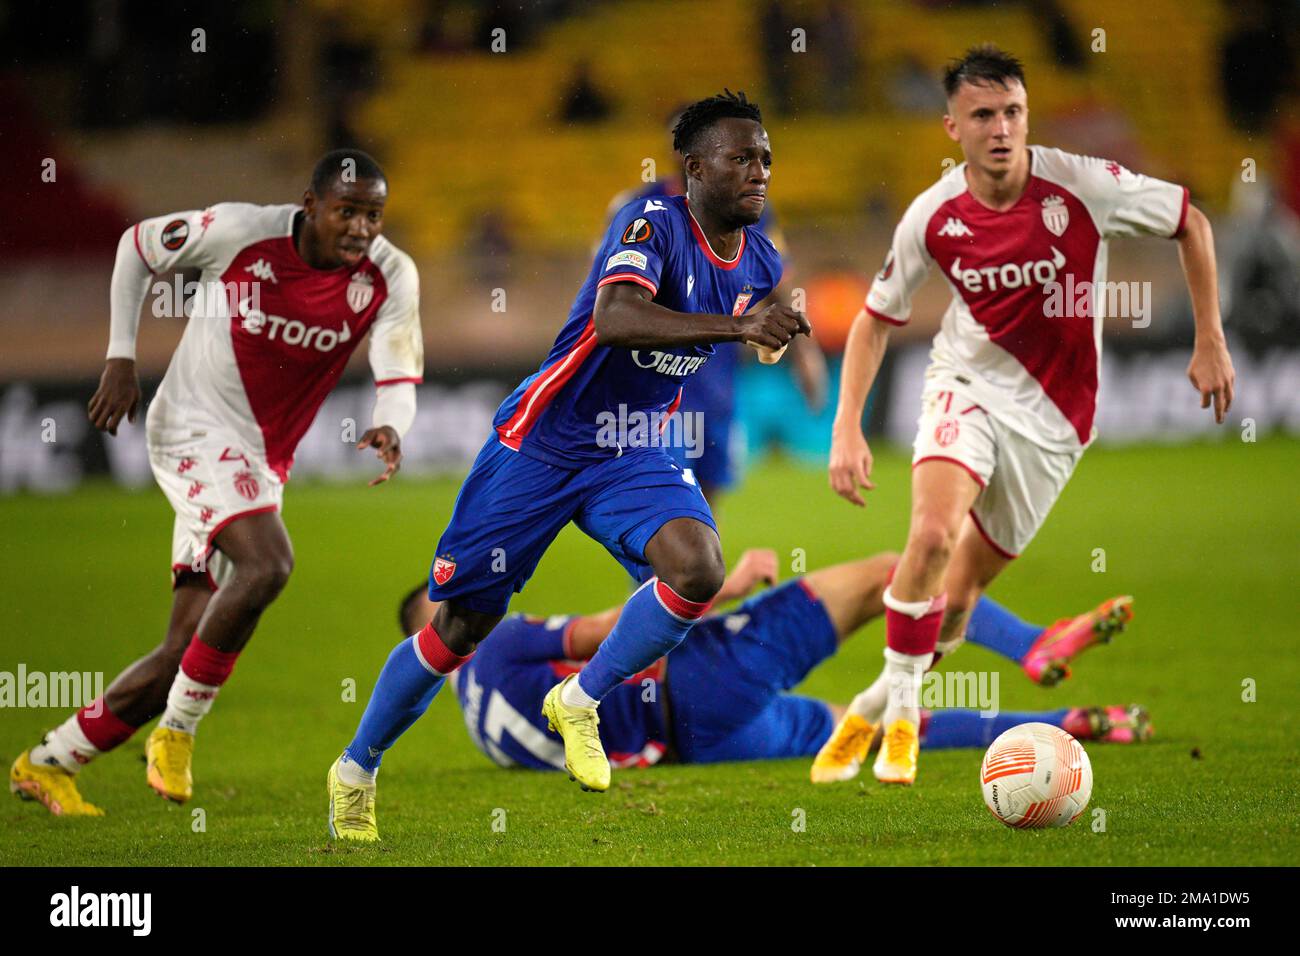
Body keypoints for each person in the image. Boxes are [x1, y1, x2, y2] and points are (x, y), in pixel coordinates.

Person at [326, 91, 811, 842]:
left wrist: (776, 336)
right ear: (693, 169)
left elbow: (746, 320)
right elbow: (615, 318)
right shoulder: (651, 224)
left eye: (766, 158)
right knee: (461, 627)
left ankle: (580, 698)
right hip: (543, 443)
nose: (760, 171)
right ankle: (357, 767)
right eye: (741, 157)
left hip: (632, 447)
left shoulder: (762, 257)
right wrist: (739, 326)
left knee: (697, 568)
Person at [822, 45, 1234, 785]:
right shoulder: (933, 215)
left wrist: (1210, 338)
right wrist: (847, 425)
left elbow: (1193, 223)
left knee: (956, 603)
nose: (1002, 128)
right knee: (932, 535)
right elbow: (874, 320)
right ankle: (905, 723)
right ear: (953, 127)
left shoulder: (1082, 184)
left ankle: (873, 703)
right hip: (966, 385)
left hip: (1056, 422)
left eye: (1012, 111)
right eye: (983, 115)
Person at [10, 149, 423, 816]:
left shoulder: (390, 273)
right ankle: (177, 731)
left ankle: (51, 761)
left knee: (188, 644)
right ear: (310, 205)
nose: (360, 228)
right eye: (346, 211)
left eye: (372, 215)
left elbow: (398, 368)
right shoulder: (240, 232)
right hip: (192, 429)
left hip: (260, 462)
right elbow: (136, 247)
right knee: (269, 564)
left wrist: (391, 423)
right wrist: (120, 357)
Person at [393, 550, 1148, 774]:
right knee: (895, 576)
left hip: (706, 744)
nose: (472, 603)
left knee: (879, 729)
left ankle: (1070, 724)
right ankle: (1031, 644)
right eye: (452, 605)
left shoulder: (481, 730)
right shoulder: (498, 645)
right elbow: (604, 631)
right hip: (708, 675)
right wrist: (717, 589)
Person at [605, 118, 829, 506]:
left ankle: (703, 547)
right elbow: (611, 295)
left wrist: (804, 353)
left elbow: (776, 281)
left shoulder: (749, 208)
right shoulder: (639, 206)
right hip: (656, 375)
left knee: (710, 491)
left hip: (717, 371)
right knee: (667, 495)